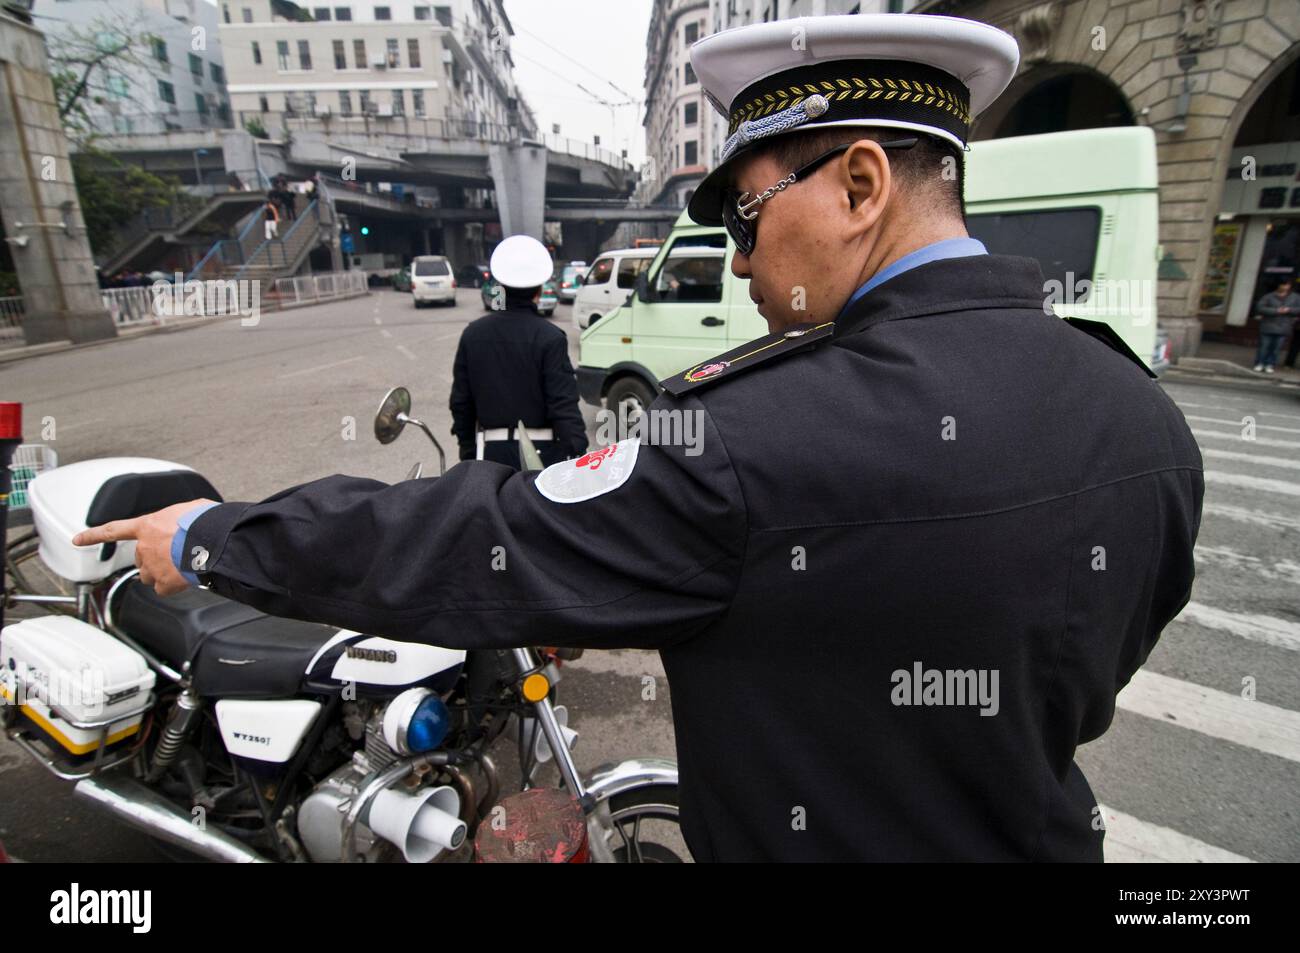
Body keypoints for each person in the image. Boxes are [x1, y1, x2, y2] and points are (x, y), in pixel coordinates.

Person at [73, 13, 1203, 862]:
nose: (747, 262)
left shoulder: (755, 436)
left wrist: (222, 534)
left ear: (860, 182)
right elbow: (1079, 679)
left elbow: (481, 534)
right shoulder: (1144, 419)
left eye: (747, 217)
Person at [450, 235, 588, 467]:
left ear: (500, 287)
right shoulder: (550, 338)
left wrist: (469, 453)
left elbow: (461, 404)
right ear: (539, 290)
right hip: (542, 457)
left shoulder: (473, 334)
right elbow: (563, 406)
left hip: (489, 454)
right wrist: (578, 455)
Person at [1253, 277, 1299, 373]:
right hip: (1268, 325)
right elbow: (1260, 308)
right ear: (1278, 285)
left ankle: (1270, 364)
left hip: (1284, 326)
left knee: (1276, 348)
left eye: (1287, 285)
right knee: (1264, 346)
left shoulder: (1295, 297)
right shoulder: (1269, 296)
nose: (1286, 287)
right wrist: (1276, 311)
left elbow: (1298, 309)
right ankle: (1260, 363)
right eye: (1284, 285)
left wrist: (1289, 310)